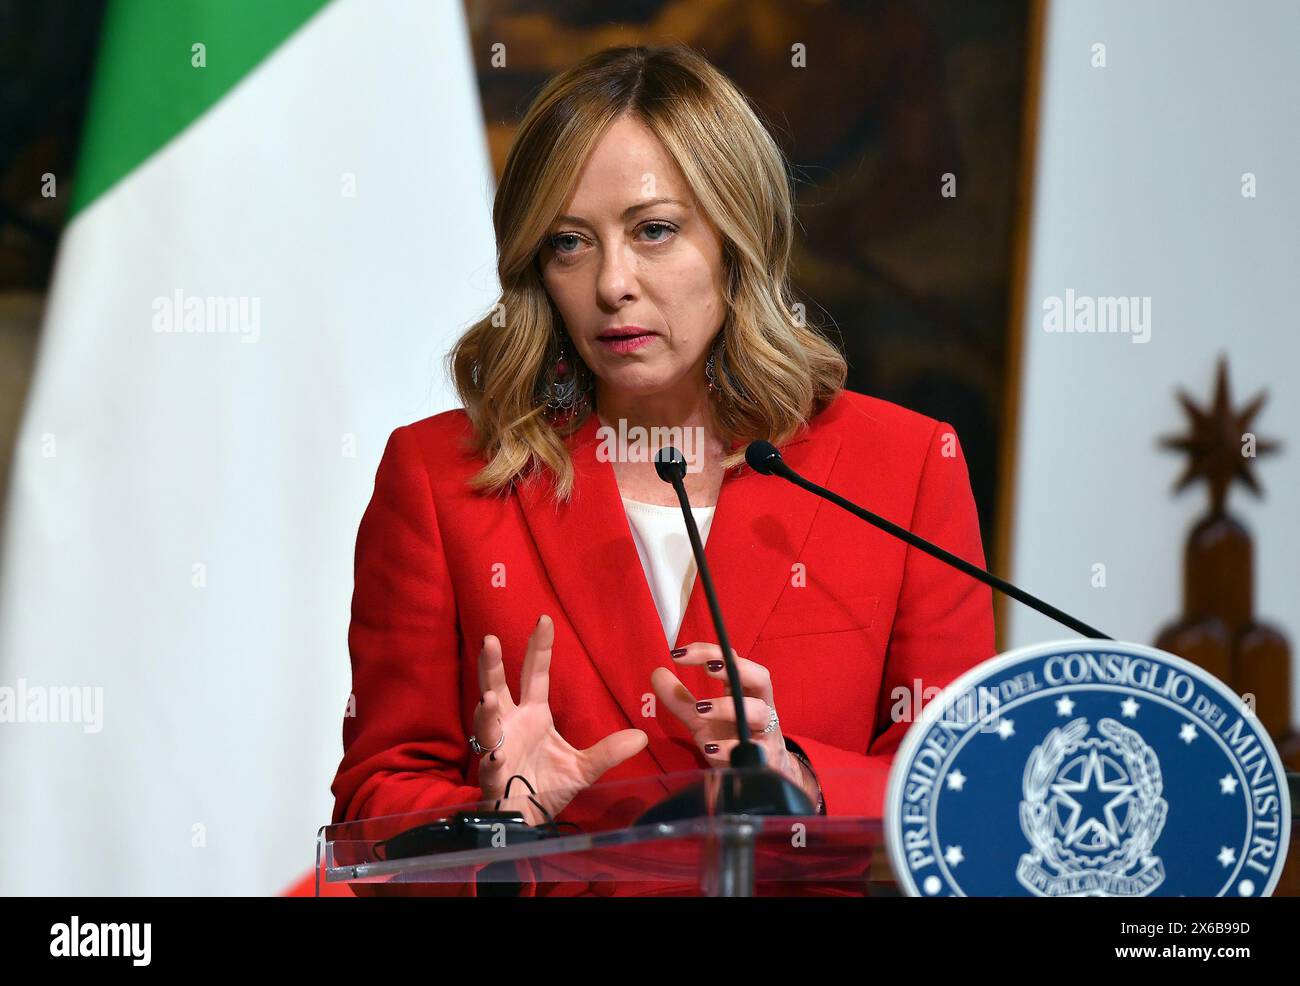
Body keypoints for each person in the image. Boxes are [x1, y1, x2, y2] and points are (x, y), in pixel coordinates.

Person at [330, 43, 995, 894]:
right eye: (570, 243)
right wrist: (502, 823)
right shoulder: (439, 478)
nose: (613, 284)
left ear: (735, 235)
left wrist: (805, 780)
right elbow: (373, 806)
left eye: (654, 230)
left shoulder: (902, 465)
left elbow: (966, 785)